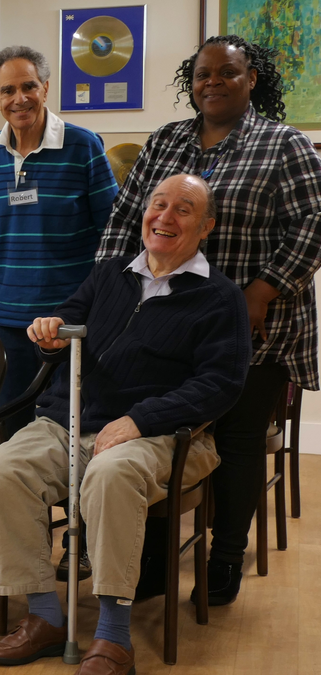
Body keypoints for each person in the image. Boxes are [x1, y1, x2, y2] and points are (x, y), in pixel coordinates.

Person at [0, 174, 250, 674]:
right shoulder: (109, 274)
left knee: (110, 475)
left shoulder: (220, 296)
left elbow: (222, 385)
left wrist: (140, 419)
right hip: (70, 421)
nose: (165, 217)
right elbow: (68, 320)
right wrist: (50, 332)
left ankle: (113, 635)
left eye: (183, 209)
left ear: (206, 226)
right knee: (3, 469)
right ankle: (45, 617)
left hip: (164, 435)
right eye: (158, 204)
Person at [95, 36, 321, 606]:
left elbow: (313, 224)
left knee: (236, 443)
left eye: (227, 72)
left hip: (257, 328)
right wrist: (107, 290)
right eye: (202, 74)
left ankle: (225, 560)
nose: (212, 82)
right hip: (167, 327)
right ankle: (151, 561)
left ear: (252, 79)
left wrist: (263, 290)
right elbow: (126, 218)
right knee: (160, 437)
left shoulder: (284, 144)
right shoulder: (167, 140)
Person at [0, 45, 118, 581]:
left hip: (73, 323)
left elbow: (111, 232)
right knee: (15, 436)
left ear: (46, 88)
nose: (19, 98)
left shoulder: (82, 145)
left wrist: (95, 304)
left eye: (28, 86)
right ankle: (26, 544)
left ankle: (81, 540)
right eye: (7, 90)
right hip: (10, 322)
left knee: (75, 433)